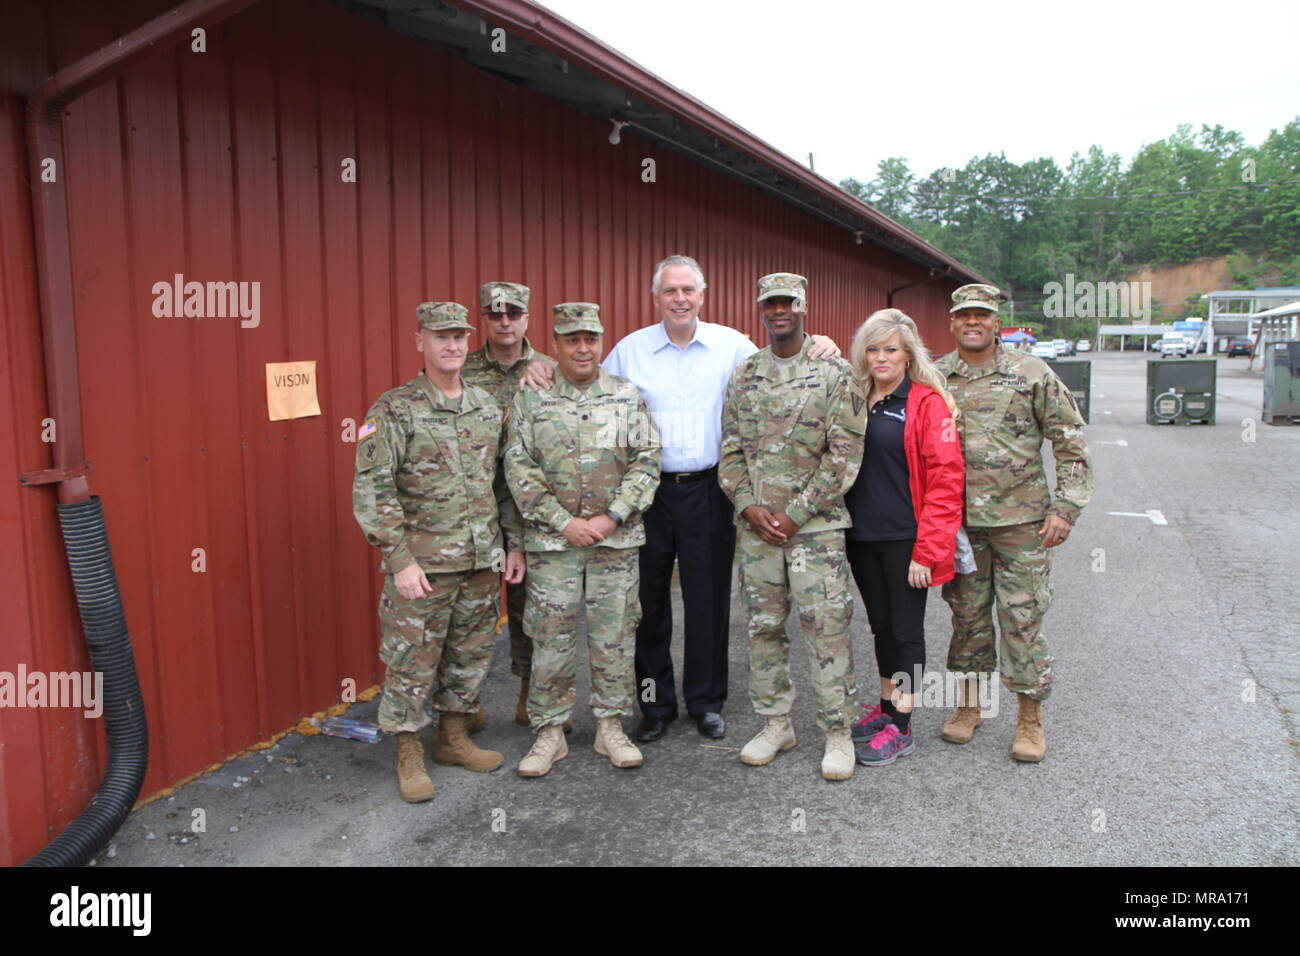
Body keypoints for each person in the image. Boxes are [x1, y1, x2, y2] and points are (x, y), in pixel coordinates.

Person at [520, 255, 842, 744]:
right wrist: (538, 366)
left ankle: (707, 702)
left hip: (711, 489)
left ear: (702, 296)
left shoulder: (732, 347)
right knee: (646, 605)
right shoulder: (630, 351)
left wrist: (822, 342)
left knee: (707, 601)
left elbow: (781, 362)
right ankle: (654, 704)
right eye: (670, 290)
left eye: (688, 290)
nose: (680, 298)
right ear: (657, 297)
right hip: (647, 495)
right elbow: (583, 381)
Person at [353, 301, 525, 803]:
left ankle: (452, 737)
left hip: (479, 561)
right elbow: (373, 489)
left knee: (470, 656)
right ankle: (408, 751)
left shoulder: (486, 407)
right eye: (440, 337)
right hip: (423, 566)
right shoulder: (393, 409)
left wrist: (512, 544)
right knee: (412, 660)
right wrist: (399, 559)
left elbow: (503, 486)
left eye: (458, 337)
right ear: (420, 342)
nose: (452, 346)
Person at [935, 283, 1093, 762]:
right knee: (967, 619)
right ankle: (969, 706)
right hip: (961, 526)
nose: (973, 322)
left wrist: (1066, 508)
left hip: (1022, 524)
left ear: (996, 321)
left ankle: (1030, 716)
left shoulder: (1031, 373)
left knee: (1023, 621)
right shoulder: (937, 376)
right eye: (964, 315)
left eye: (982, 314)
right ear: (952, 322)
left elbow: (1070, 444)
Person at [719, 273, 866, 781]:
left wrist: (796, 513)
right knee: (763, 629)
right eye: (770, 303)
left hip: (816, 531)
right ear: (761, 308)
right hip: (758, 531)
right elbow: (731, 449)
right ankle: (776, 723)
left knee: (825, 629)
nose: (778, 310)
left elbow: (844, 455)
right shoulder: (746, 374)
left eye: (787, 303)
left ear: (803, 307)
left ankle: (838, 732)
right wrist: (746, 506)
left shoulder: (834, 373)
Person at [505, 303, 661, 776]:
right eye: (572, 339)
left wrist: (613, 516)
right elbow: (518, 465)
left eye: (590, 338)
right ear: (555, 344)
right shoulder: (532, 398)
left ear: (600, 341)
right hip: (554, 545)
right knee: (550, 636)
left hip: (615, 542)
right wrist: (562, 521)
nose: (582, 348)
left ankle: (610, 727)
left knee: (613, 636)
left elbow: (647, 458)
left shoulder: (625, 394)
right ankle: (550, 732)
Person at [842, 309, 965, 767]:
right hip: (861, 536)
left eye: (889, 349)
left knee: (906, 631)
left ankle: (904, 724)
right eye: (872, 349)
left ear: (908, 354)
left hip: (906, 540)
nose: (880, 358)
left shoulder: (927, 403)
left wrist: (928, 552)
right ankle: (887, 705)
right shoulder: (855, 397)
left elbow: (947, 482)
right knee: (880, 628)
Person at [460, 281, 557, 728]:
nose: (504, 322)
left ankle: (529, 695)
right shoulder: (460, 369)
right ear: (484, 317)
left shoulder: (548, 371)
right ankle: (465, 703)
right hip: (474, 507)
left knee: (530, 608)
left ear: (526, 318)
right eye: (495, 313)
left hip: (529, 507)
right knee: (472, 614)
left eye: (512, 313)